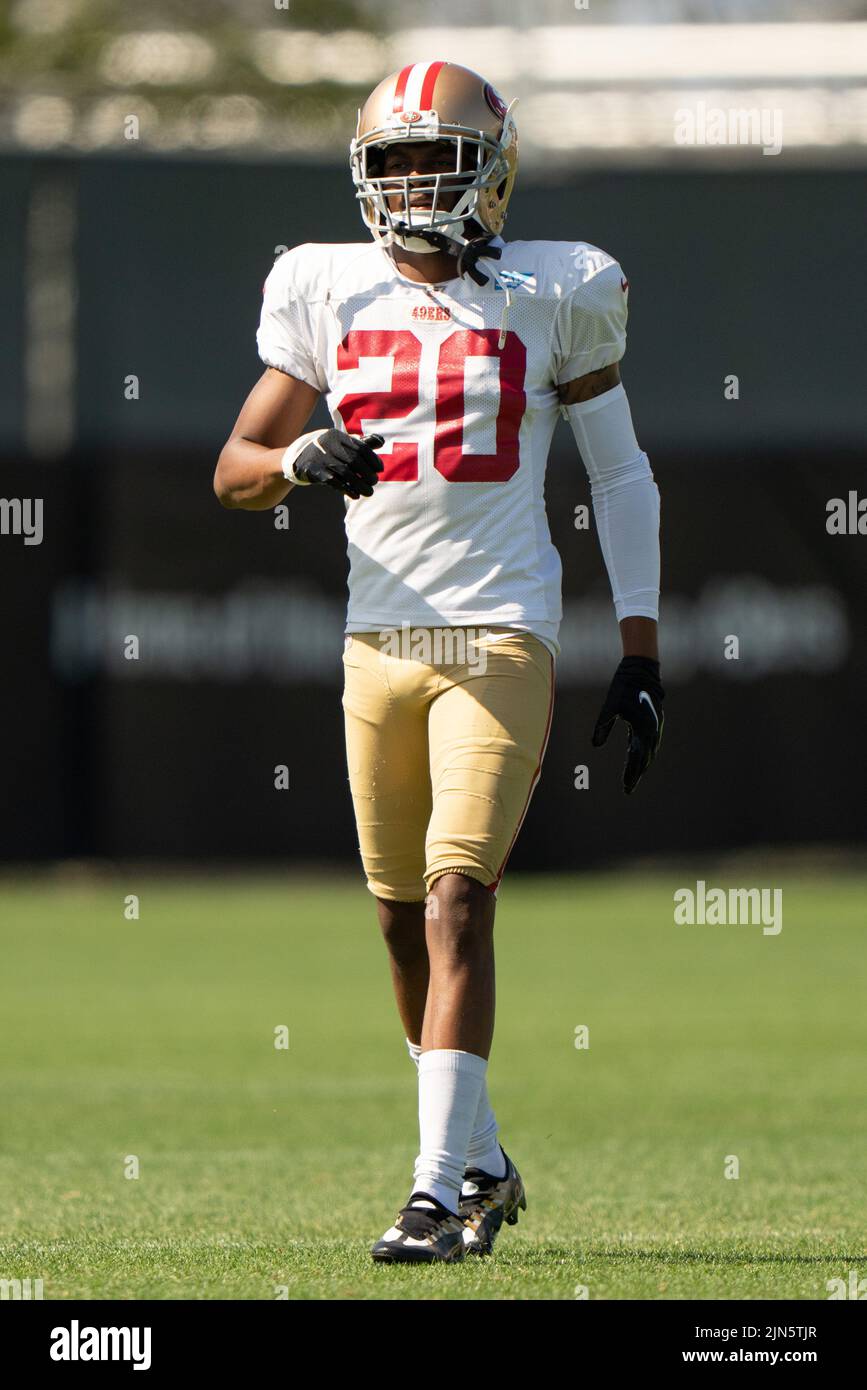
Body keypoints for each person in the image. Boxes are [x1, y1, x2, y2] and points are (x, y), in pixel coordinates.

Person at [214, 60, 664, 1263]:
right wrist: (305, 458)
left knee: (463, 895)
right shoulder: (324, 287)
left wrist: (640, 645)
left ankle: (429, 1193)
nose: (415, 182)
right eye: (395, 158)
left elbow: (618, 472)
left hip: (499, 632)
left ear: (493, 166)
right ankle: (484, 1159)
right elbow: (234, 470)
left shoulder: (556, 287)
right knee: (402, 926)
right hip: (379, 641)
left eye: (437, 157)